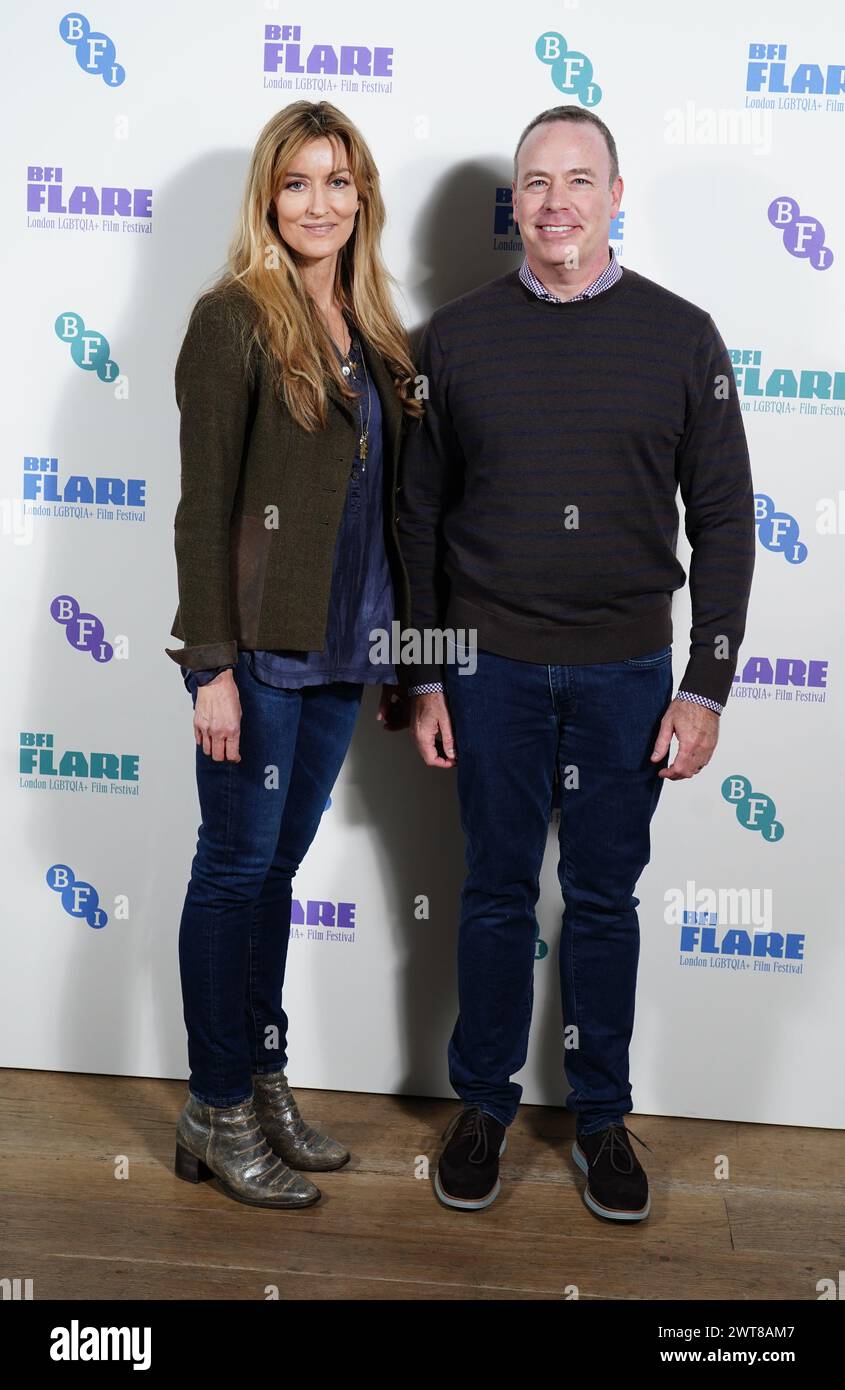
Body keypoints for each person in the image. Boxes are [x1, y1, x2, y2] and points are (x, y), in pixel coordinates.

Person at [398, 105, 755, 1221]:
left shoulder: (681, 335)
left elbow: (727, 522)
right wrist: (417, 673)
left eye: (577, 180)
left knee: (602, 899)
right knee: (496, 893)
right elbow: (413, 521)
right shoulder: (450, 340)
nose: (554, 202)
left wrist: (703, 686)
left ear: (613, 196)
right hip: (488, 669)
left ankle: (601, 1118)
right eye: (534, 183)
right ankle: (484, 1109)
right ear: (515, 204)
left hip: (622, 674)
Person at [164, 100, 418, 1209]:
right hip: (256, 658)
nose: (319, 202)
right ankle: (212, 1108)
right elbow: (201, 508)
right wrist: (206, 667)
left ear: (360, 195)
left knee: (271, 872)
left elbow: (384, 510)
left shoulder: (371, 325)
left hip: (340, 652)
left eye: (337, 180)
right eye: (296, 182)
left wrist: (395, 655)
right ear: (268, 199)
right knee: (231, 871)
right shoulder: (233, 318)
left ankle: (259, 1085)